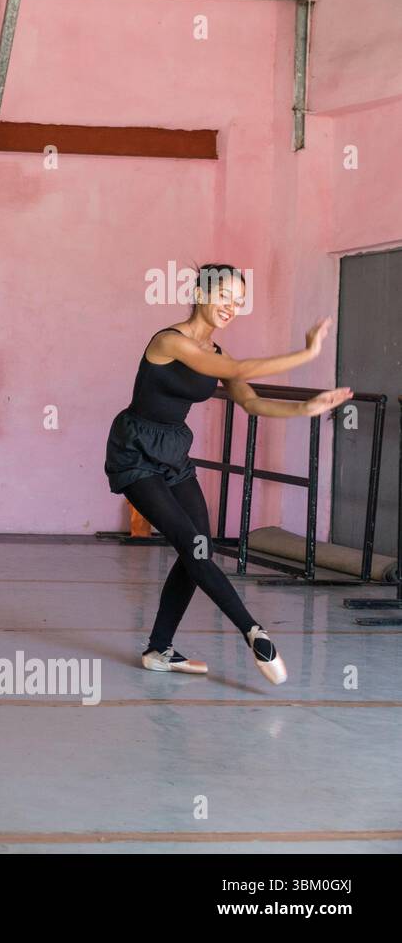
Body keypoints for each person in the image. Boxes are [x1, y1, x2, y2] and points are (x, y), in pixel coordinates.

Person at [105, 264, 352, 685]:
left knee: (200, 544)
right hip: (135, 452)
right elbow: (241, 371)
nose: (232, 308)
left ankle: (159, 649)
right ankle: (253, 630)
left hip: (174, 452)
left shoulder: (217, 355)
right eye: (226, 297)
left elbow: (251, 402)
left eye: (239, 302)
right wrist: (307, 353)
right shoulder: (170, 341)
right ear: (201, 293)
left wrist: (306, 408)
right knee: (191, 545)